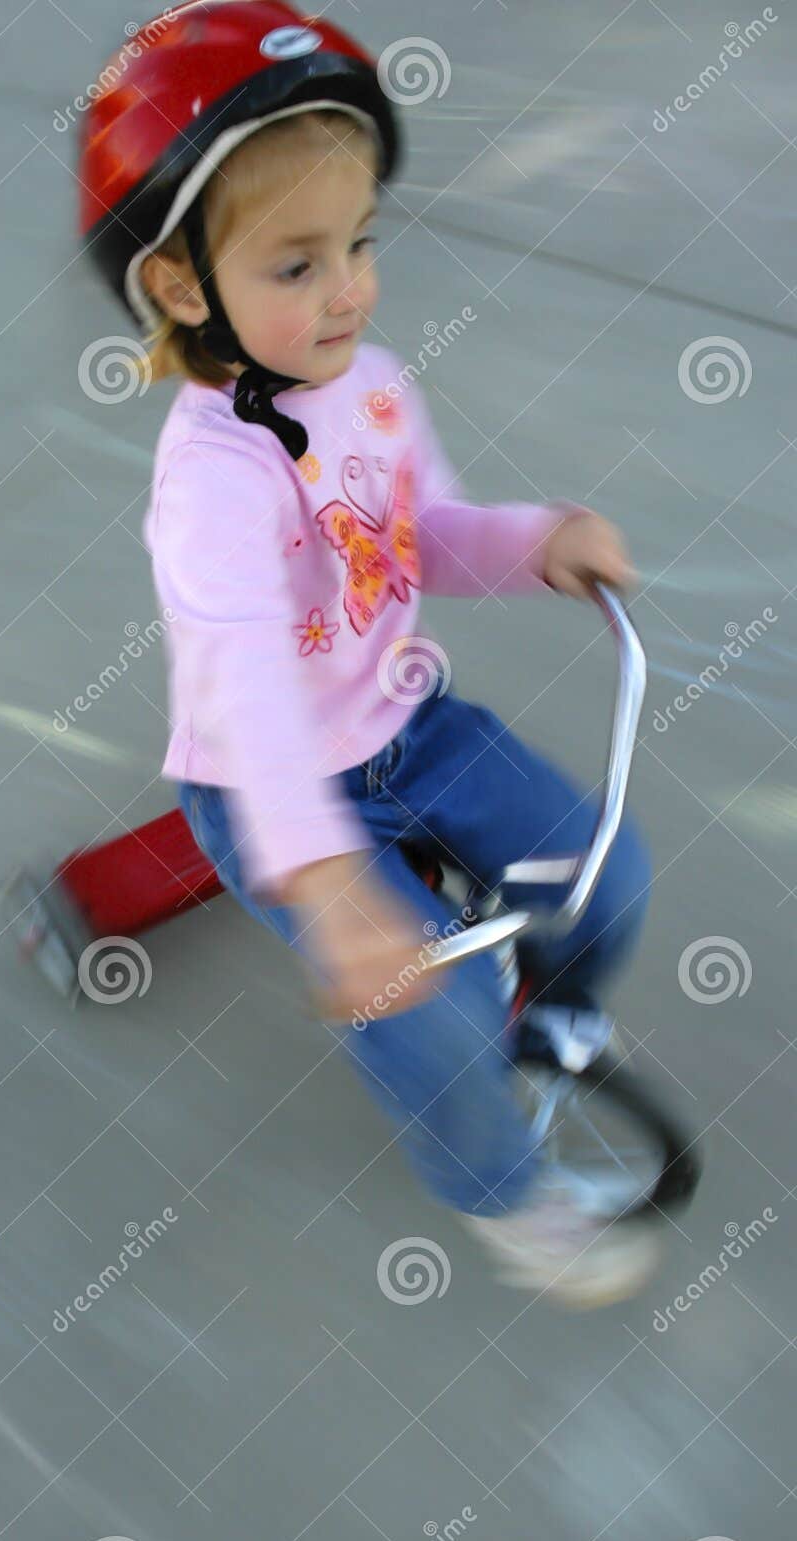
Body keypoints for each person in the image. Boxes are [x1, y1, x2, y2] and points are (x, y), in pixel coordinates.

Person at [79, 2, 659, 1307]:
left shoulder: (376, 380)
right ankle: (502, 1188)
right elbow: (245, 681)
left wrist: (537, 540)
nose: (347, 287)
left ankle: (558, 1016)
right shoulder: (210, 484)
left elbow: (426, 532)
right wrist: (331, 884)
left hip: (404, 725)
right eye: (296, 265)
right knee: (427, 1019)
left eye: (359, 243)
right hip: (272, 787)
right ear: (181, 285)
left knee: (604, 866)